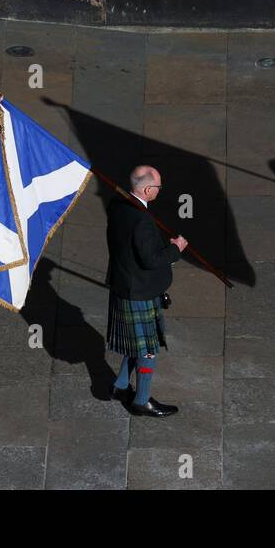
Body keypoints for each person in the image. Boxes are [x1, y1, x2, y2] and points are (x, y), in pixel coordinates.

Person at [106, 165, 188, 417]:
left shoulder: (118, 205)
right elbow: (151, 259)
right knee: (147, 349)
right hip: (139, 291)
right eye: (158, 187)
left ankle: (120, 386)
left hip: (125, 283)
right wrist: (176, 249)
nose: (160, 191)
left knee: (136, 344)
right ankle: (141, 401)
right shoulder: (141, 219)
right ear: (148, 189)